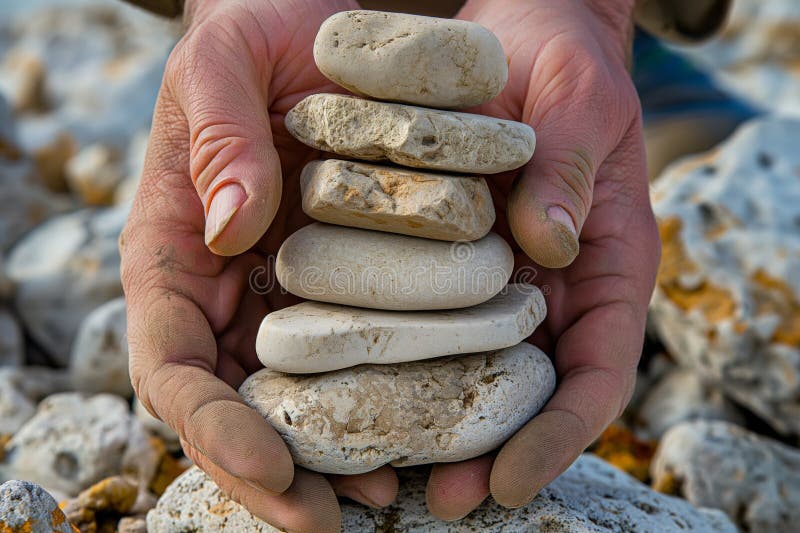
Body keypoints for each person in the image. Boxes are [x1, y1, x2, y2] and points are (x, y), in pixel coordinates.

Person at [119, 0, 731, 531]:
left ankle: (631, 62)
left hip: (532, 70)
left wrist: (594, 12)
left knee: (713, 155)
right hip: (316, 57)